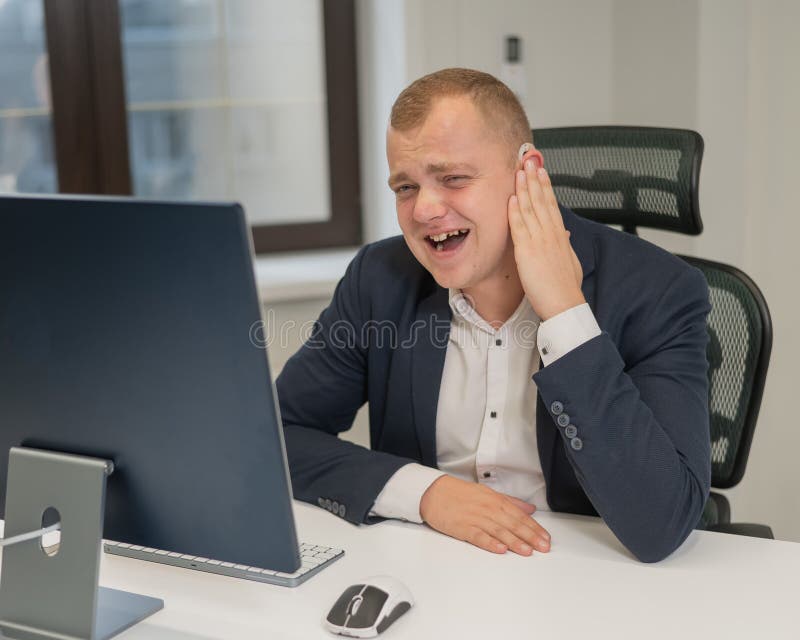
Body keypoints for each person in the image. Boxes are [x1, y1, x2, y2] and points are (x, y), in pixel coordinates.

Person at [276, 68, 710, 563]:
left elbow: (662, 523)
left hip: (584, 577)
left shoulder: (659, 291)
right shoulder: (379, 279)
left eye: (453, 178)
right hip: (432, 568)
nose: (424, 211)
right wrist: (426, 493)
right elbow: (279, 436)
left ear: (528, 172)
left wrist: (566, 315)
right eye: (405, 188)